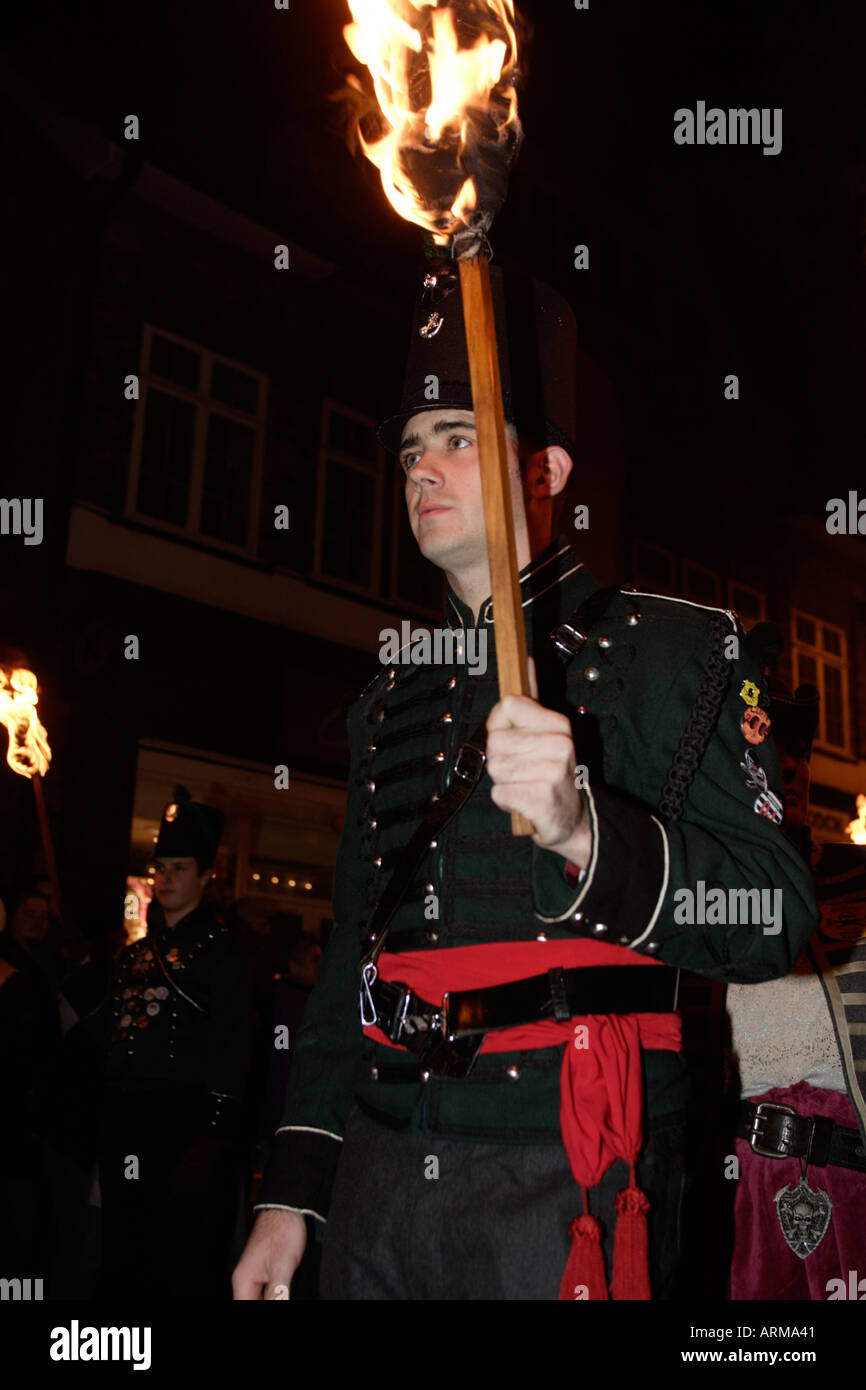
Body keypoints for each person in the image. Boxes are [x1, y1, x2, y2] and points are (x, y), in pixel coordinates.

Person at [233, 266, 818, 1302]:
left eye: (458, 437)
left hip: (565, 1169)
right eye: (410, 450)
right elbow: (346, 964)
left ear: (543, 470)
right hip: (378, 1162)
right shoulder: (390, 695)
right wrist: (292, 1193)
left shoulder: (675, 653)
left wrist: (589, 835)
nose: (422, 470)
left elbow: (769, 917)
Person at [82, 786, 253, 1300]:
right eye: (161, 867)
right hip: (123, 1122)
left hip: (186, 1130)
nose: (166, 878)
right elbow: (104, 1036)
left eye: (180, 868)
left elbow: (234, 1047)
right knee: (124, 1251)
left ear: (206, 876)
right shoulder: (134, 956)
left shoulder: (226, 954)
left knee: (180, 1257)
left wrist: (213, 1137)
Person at [726, 679, 866, 1299]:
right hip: (747, 1179)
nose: (793, 762)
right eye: (771, 744)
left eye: (802, 749)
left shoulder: (856, 874)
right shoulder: (707, 892)